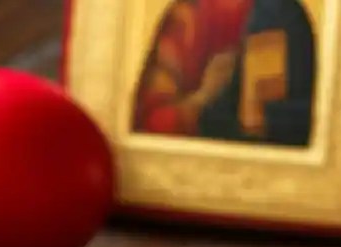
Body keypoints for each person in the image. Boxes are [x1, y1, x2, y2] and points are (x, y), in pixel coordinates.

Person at [132, 0, 316, 147]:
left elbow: (277, 129)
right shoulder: (188, 17)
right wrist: (204, 98)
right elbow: (150, 128)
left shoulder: (279, 14)